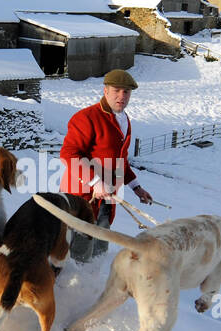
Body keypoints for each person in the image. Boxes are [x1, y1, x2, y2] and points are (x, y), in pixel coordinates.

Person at [59, 68, 155, 261]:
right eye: (116, 90)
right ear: (105, 91)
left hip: (108, 198)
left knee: (99, 249)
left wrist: (136, 187)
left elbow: (120, 159)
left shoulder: (124, 120)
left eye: (126, 92)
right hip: (83, 197)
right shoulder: (86, 118)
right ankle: (72, 286)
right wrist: (95, 182)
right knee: (78, 251)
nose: (122, 96)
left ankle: (94, 283)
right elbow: (69, 154)